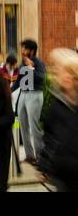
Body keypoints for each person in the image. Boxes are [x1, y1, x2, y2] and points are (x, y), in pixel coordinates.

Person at [38, 48, 78, 192]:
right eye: (60, 72)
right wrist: (44, 166)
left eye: (69, 72)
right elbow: (49, 137)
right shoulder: (56, 105)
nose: (65, 76)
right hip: (61, 175)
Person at [17, 39, 46, 166]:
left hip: (34, 94)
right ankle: (30, 156)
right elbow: (19, 80)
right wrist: (8, 90)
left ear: (32, 50)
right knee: (23, 126)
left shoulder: (38, 63)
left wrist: (31, 68)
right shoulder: (22, 64)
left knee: (34, 127)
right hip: (23, 94)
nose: (23, 51)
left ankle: (40, 157)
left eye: (25, 49)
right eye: (22, 48)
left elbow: (41, 78)